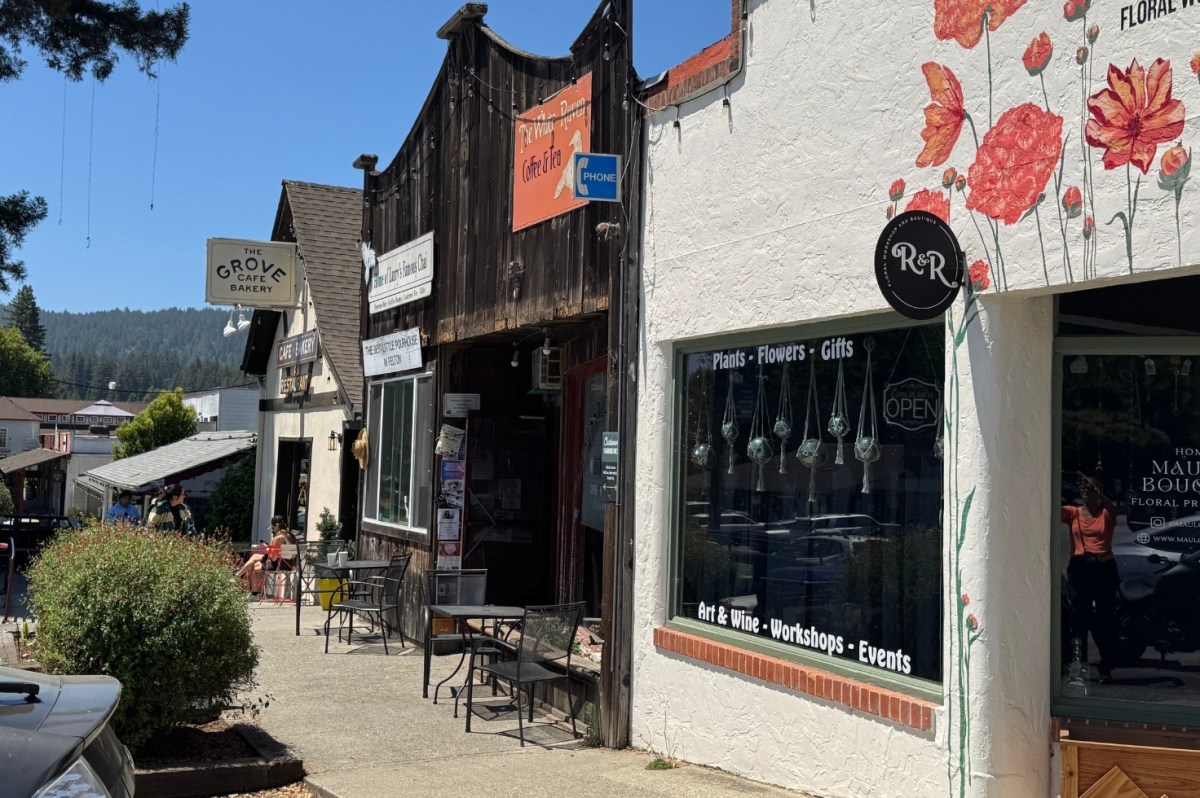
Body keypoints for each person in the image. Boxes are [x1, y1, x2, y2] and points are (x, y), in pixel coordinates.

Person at [1062, 472, 1119, 681]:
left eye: (1091, 490)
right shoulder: (1073, 513)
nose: (1087, 493)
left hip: (1103, 568)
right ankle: (1078, 667)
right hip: (1080, 568)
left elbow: (1114, 510)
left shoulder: (1105, 514)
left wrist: (1099, 491)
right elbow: (1048, 508)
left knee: (1104, 621)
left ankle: (1107, 667)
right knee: (1079, 620)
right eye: (1085, 490)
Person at [236, 516, 297, 595]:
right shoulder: (292, 536)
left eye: (273, 527)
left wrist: (267, 548)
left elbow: (273, 558)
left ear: (277, 526)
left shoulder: (277, 538)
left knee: (254, 565)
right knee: (255, 558)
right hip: (290, 565)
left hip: (279, 565)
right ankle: (238, 576)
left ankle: (251, 590)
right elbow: (283, 554)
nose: (272, 530)